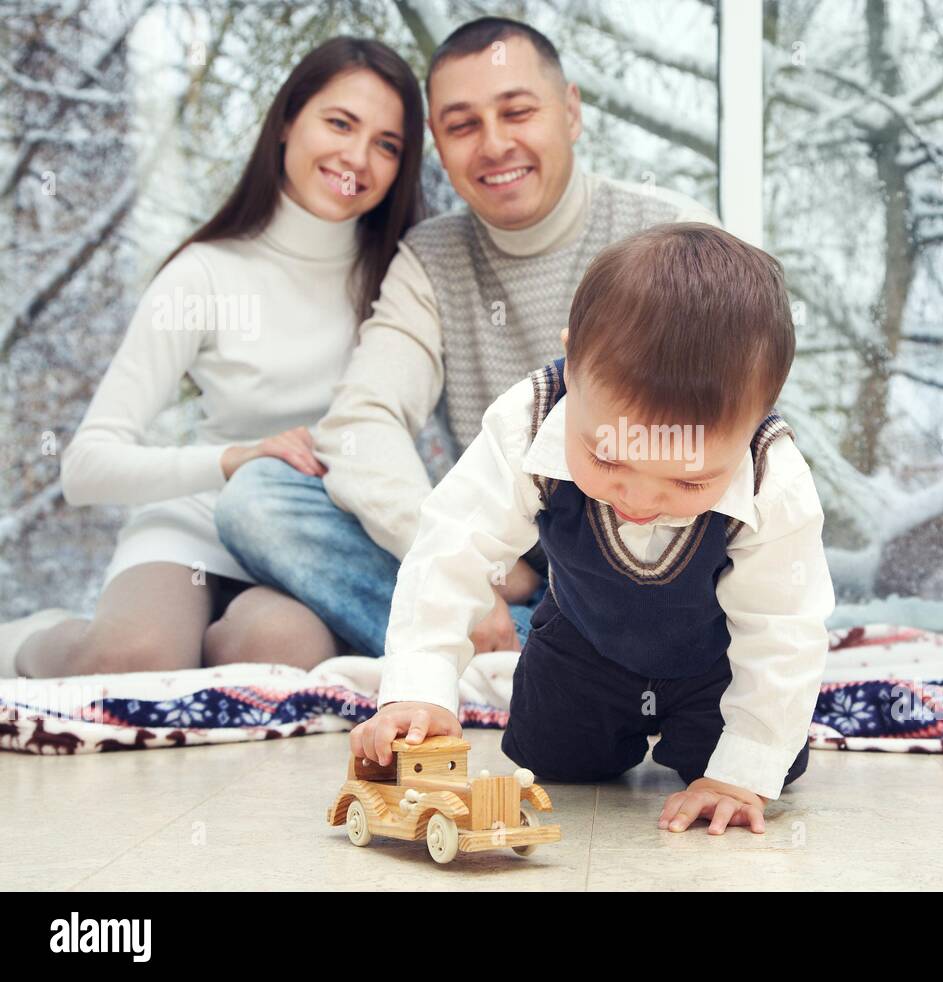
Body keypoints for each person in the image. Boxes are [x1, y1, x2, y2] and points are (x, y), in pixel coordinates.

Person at [214, 16, 717, 660]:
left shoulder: (673, 234)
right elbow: (361, 421)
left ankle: (506, 663)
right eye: (463, 125)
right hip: (500, 577)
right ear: (438, 145)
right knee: (259, 500)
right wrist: (464, 573)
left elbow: (714, 443)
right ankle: (511, 659)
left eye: (517, 111)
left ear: (570, 113)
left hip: (637, 578)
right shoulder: (431, 259)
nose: (495, 144)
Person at [350, 224, 835, 836]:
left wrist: (741, 771)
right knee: (552, 759)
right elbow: (452, 547)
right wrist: (418, 688)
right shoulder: (528, 418)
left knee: (760, 765)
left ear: (758, 414)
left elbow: (784, 628)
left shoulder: (773, 474)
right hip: (583, 644)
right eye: (607, 459)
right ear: (574, 363)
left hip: (716, 664)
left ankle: (720, 752)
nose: (641, 499)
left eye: (689, 484)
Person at [0, 38, 427, 679]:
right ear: (286, 122)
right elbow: (85, 466)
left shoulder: (403, 279)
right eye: (339, 123)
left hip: (309, 536)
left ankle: (196, 651)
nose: (357, 157)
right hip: (196, 522)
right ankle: (27, 644)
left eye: (387, 145)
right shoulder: (203, 272)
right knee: (133, 657)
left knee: (284, 652)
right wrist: (234, 459)